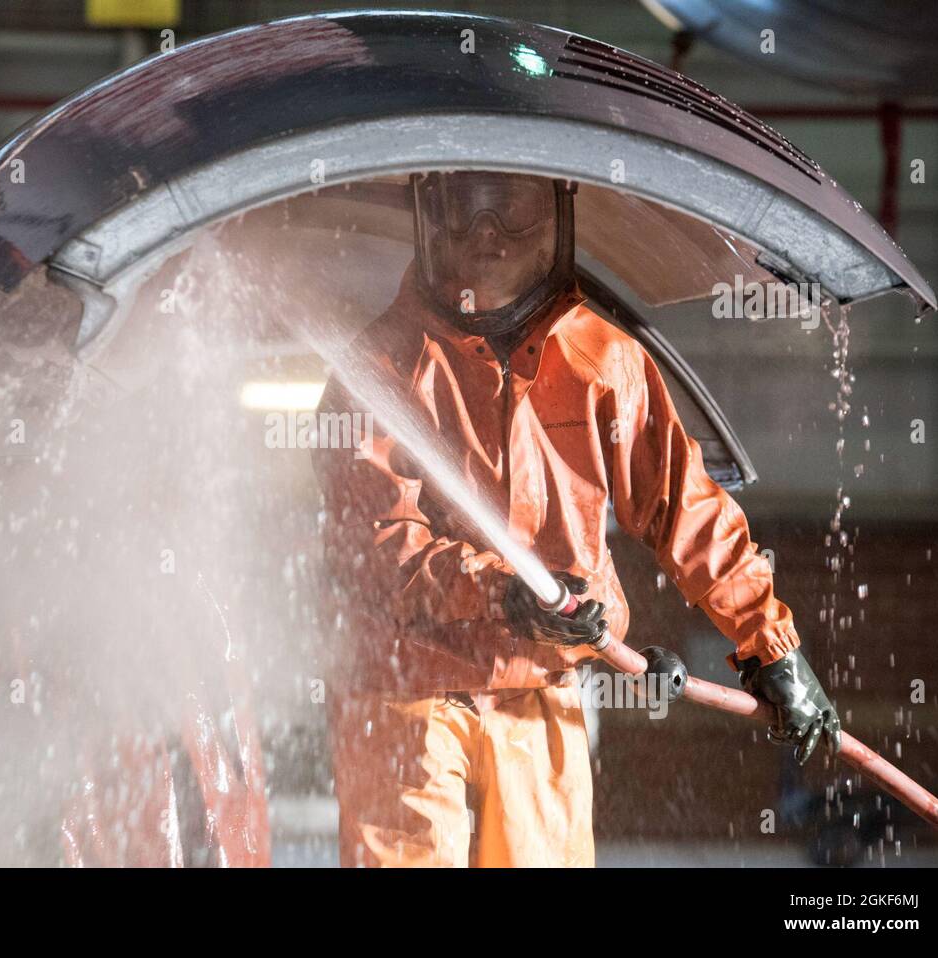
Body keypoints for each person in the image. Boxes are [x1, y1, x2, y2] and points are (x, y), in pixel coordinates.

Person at [311, 170, 841, 867]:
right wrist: (503, 592)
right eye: (465, 210)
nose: (487, 235)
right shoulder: (373, 372)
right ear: (427, 211)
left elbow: (685, 508)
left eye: (512, 210)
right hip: (405, 691)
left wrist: (772, 646)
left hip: (540, 691)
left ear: (559, 213)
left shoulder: (604, 362)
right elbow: (376, 546)